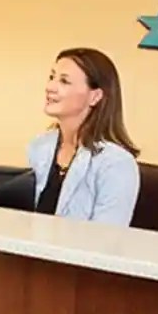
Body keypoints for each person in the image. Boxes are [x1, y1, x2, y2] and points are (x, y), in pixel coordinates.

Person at [27, 47, 141, 225]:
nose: (50, 87)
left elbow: (106, 240)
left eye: (64, 81)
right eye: (52, 78)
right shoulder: (40, 146)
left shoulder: (116, 163)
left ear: (95, 97)